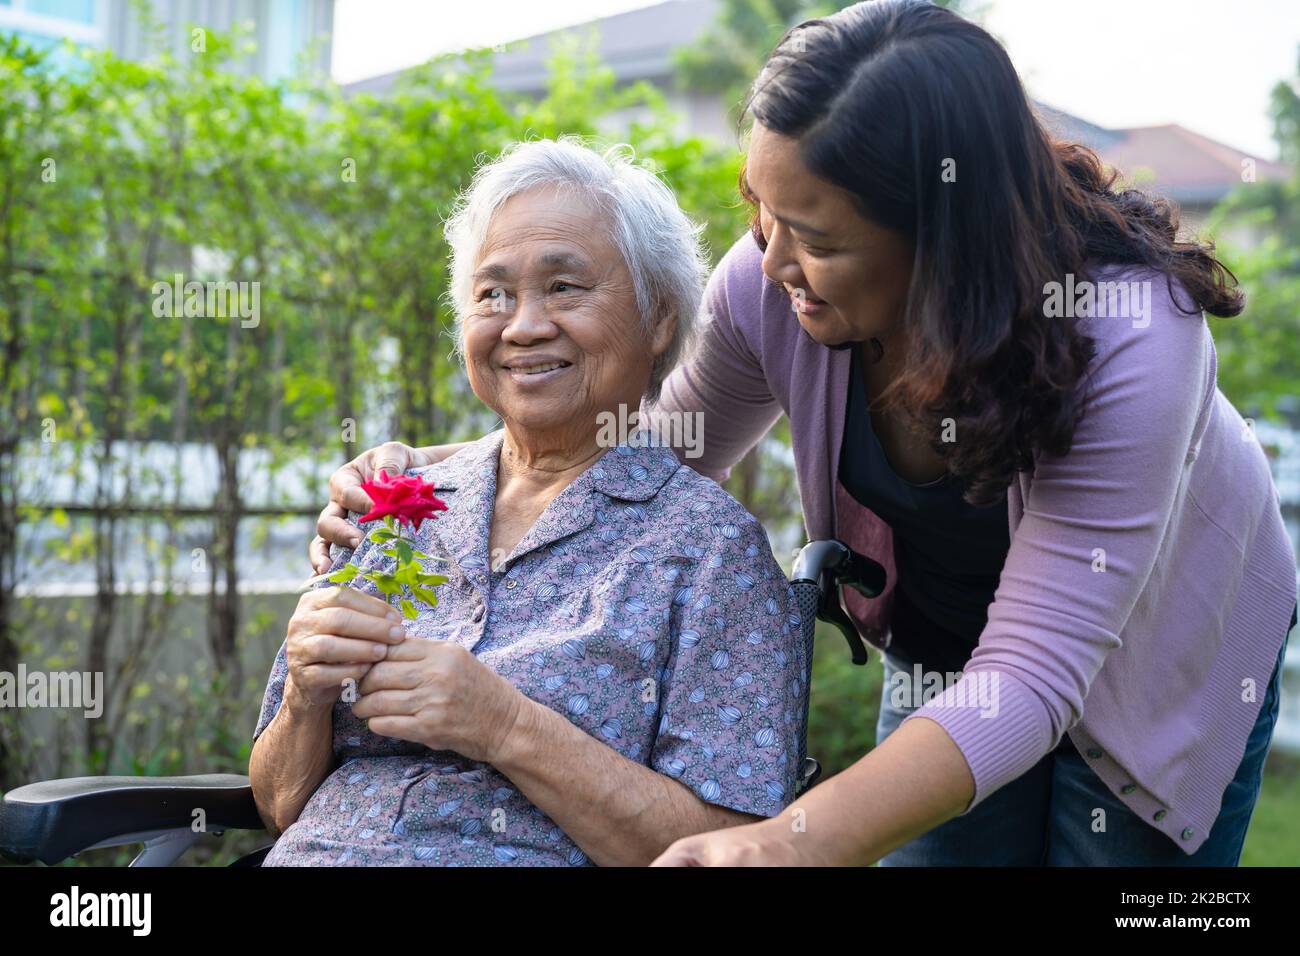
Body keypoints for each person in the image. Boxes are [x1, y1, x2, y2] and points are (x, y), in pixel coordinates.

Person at [314, 1, 1297, 866]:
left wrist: (794, 837)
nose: (770, 258)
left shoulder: (1128, 336)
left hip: (1157, 653)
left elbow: (1035, 677)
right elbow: (653, 450)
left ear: (937, 238)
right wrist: (435, 478)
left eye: (817, 237)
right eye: (761, 209)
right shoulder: (768, 282)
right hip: (947, 648)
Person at [251, 138, 809, 866]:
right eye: (493, 295)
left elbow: (729, 848)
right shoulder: (393, 510)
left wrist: (505, 725)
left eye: (565, 288)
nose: (522, 325)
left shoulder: (708, 551)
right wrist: (305, 694)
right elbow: (277, 807)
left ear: (660, 320)